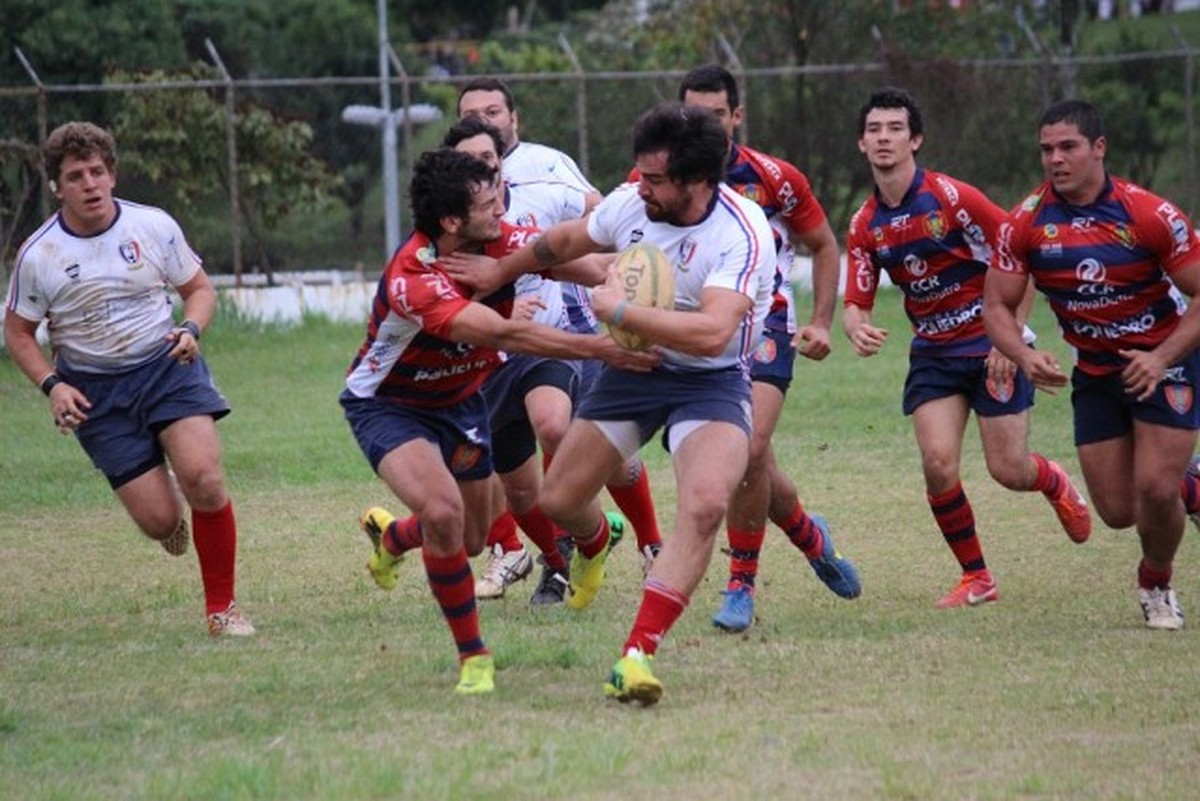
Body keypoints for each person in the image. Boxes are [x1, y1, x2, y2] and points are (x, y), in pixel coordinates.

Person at [456, 101, 776, 705]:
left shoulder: (741, 230)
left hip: (707, 379)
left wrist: (622, 312)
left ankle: (636, 654)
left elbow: (712, 333)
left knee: (706, 503)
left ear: (698, 181)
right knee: (559, 500)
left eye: (655, 180)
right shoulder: (633, 203)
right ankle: (599, 541)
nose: (640, 188)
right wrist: (499, 273)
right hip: (633, 372)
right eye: (640, 174)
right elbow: (559, 242)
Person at [343, 147, 653, 695]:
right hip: (392, 406)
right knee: (442, 510)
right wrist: (601, 350)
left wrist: (649, 271)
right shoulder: (414, 276)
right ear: (451, 222)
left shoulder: (501, 240)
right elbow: (506, 335)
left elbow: (585, 262)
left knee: (470, 537)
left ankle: (395, 538)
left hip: (462, 402)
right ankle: (475, 659)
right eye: (489, 203)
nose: (501, 208)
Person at [3, 121, 254, 638]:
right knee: (159, 521)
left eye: (97, 171)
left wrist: (191, 328)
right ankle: (170, 520)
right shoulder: (39, 255)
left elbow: (200, 289)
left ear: (113, 175)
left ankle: (222, 610)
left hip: (167, 366)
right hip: (97, 393)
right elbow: (19, 334)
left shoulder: (153, 226)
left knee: (204, 477)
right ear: (57, 187)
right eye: (75, 176)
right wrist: (54, 386)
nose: (89, 184)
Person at [844, 88, 1092, 609]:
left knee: (1009, 470)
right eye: (874, 130)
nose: (884, 137)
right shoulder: (865, 224)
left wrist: (1013, 337)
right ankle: (977, 576)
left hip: (989, 345)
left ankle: (1053, 481)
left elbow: (1020, 257)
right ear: (862, 143)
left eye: (894, 128)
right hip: (934, 353)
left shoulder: (952, 199)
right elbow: (857, 300)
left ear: (915, 139)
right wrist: (855, 326)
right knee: (937, 465)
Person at [985, 99, 1200, 630]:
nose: (1055, 159)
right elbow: (995, 306)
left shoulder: (1148, 214)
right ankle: (1192, 487)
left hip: (1166, 363)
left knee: (1154, 488)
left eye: (1068, 147)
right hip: (1097, 374)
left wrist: (1160, 356)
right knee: (1120, 511)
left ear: (1098, 149)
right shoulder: (1026, 223)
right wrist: (1024, 353)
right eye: (1046, 150)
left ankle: (1156, 583)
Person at [674, 64, 862, 634]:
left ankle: (741, 586)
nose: (702, 126)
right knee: (749, 462)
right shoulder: (660, 175)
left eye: (714, 115)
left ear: (736, 116)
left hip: (764, 324)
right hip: (694, 331)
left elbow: (825, 246)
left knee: (749, 450)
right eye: (691, 115)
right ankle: (809, 535)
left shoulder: (774, 178)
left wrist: (824, 322)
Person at [457, 78, 666, 579]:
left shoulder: (549, 170)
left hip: (564, 336)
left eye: (493, 111)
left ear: (513, 119)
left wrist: (636, 274)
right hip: (493, 351)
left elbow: (601, 227)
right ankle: (548, 560)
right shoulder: (450, 193)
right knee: (510, 482)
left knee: (590, 447)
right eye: (472, 114)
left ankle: (650, 544)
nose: (485, 121)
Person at [442, 116, 626, 605]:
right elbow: (434, 320)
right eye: (472, 165)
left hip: (539, 351)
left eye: (491, 163)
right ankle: (577, 551)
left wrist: (639, 272)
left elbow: (588, 267)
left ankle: (604, 528)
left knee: (552, 424)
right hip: (481, 373)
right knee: (521, 497)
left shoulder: (517, 227)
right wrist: (486, 315)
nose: (487, 175)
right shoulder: (432, 248)